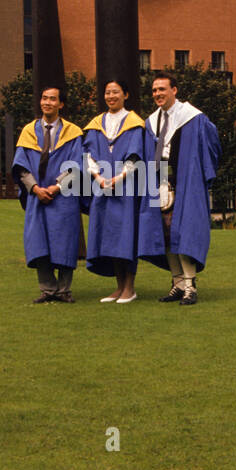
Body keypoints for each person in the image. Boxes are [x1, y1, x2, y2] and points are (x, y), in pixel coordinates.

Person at [138, 73, 220, 305]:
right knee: (164, 233)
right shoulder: (151, 121)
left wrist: (201, 173)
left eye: (162, 89)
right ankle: (177, 284)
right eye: (154, 90)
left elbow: (213, 146)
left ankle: (190, 286)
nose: (157, 94)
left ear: (174, 90)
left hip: (186, 181)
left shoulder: (194, 118)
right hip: (159, 180)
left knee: (185, 231)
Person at [12, 86, 84, 303]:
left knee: (65, 240)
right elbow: (21, 166)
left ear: (61, 104)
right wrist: (34, 188)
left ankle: (63, 289)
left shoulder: (73, 132)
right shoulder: (28, 132)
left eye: (53, 99)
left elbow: (77, 165)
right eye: (44, 98)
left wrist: (56, 187)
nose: (47, 103)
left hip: (63, 197)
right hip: (37, 196)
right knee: (38, 240)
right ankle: (48, 289)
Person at [83, 80, 147, 303]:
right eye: (107, 92)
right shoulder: (95, 124)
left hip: (127, 188)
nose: (111, 96)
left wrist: (120, 177)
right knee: (109, 236)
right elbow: (88, 155)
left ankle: (130, 287)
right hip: (102, 187)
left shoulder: (134, 124)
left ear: (125, 95)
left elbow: (135, 156)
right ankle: (119, 287)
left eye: (115, 92)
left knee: (126, 235)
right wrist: (98, 177)